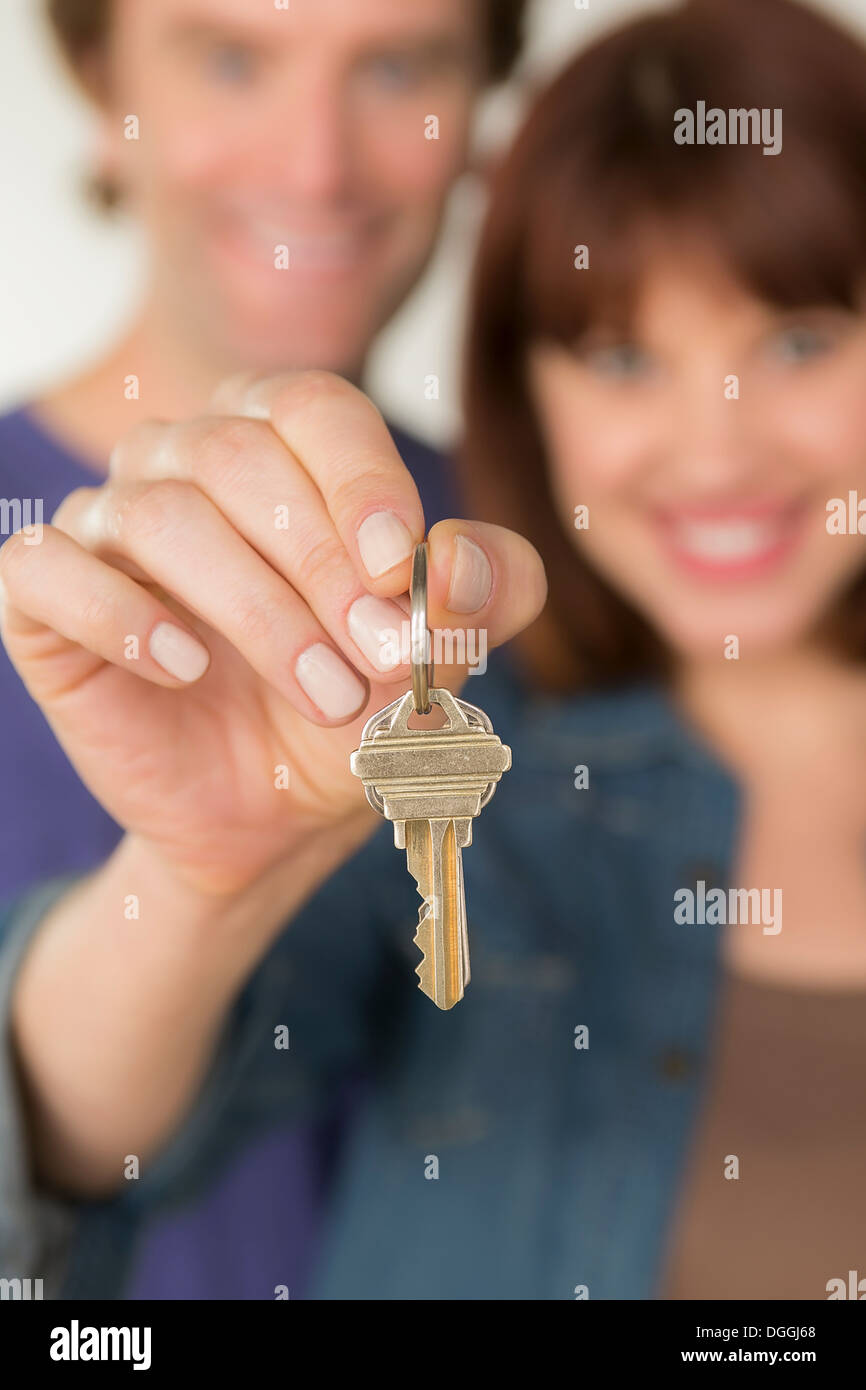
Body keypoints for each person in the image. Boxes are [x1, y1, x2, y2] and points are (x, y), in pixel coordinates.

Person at [3, 0, 866, 1301]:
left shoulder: (450, 602)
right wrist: (199, 882)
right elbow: (94, 1162)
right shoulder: (462, 724)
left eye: (796, 341)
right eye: (623, 355)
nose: (715, 449)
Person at [0, 0, 526, 902]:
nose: (317, 168)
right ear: (102, 84)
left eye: (399, 69)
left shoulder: (580, 545)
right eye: (232, 62)